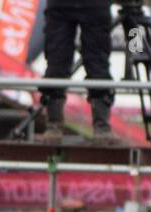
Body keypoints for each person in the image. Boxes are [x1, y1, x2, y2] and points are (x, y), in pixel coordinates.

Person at [40, 0, 115, 143]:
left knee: (97, 64)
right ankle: (55, 124)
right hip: (66, 6)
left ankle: (101, 126)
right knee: (57, 63)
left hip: (89, 6)